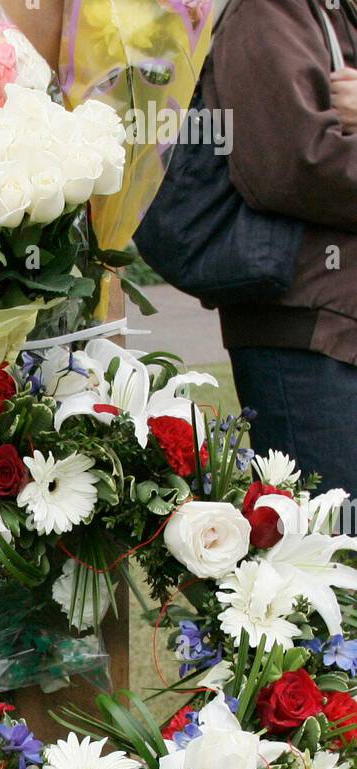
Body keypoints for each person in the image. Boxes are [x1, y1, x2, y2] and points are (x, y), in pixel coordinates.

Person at [208, 0, 357, 502]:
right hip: (309, 340)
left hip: (335, 329)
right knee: (332, 560)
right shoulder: (270, 11)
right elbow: (297, 166)